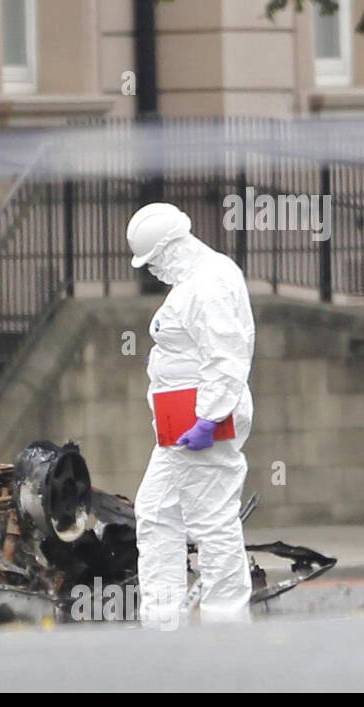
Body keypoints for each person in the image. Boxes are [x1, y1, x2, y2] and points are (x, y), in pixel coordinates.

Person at [126, 202, 255, 629]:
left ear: (172, 247)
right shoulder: (199, 280)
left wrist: (210, 417)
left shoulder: (208, 283)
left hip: (199, 421)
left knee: (211, 520)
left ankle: (226, 623)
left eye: (154, 260)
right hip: (182, 423)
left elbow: (226, 355)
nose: (153, 271)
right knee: (157, 510)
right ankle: (163, 621)